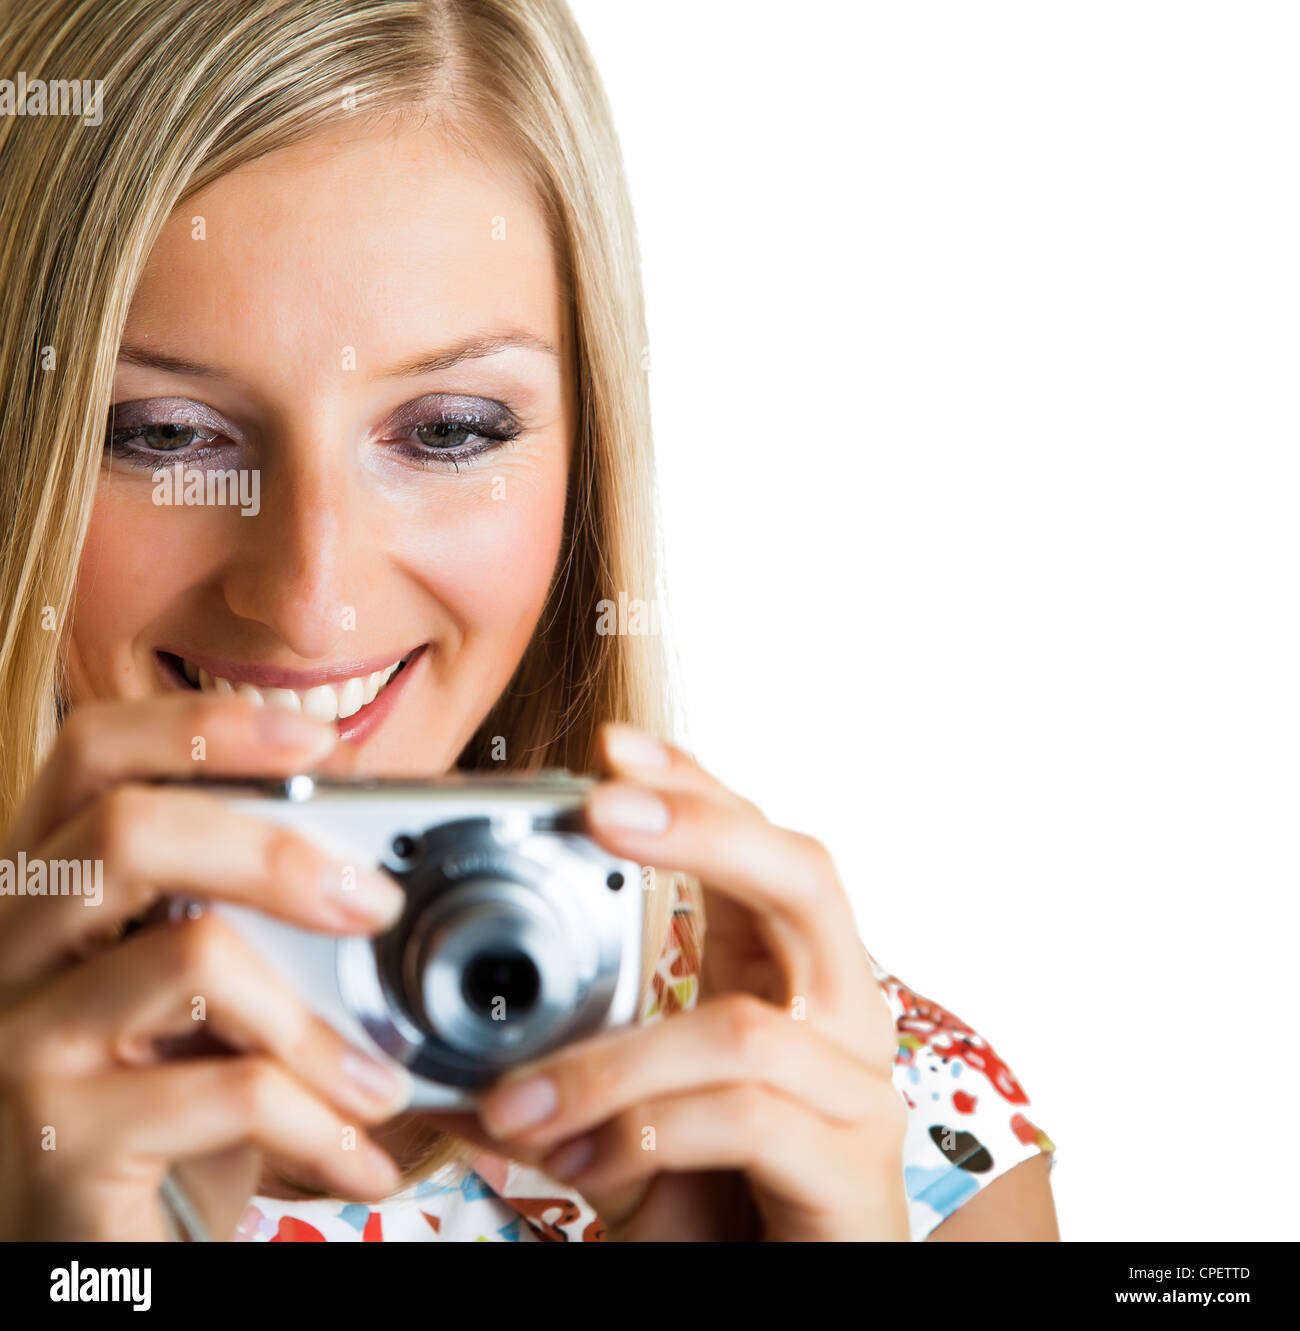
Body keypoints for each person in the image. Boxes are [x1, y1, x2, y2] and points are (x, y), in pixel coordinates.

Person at [0, 0, 1058, 1241]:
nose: (311, 595)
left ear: (585, 460)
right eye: (167, 435)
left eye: (448, 430)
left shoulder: (864, 1126)